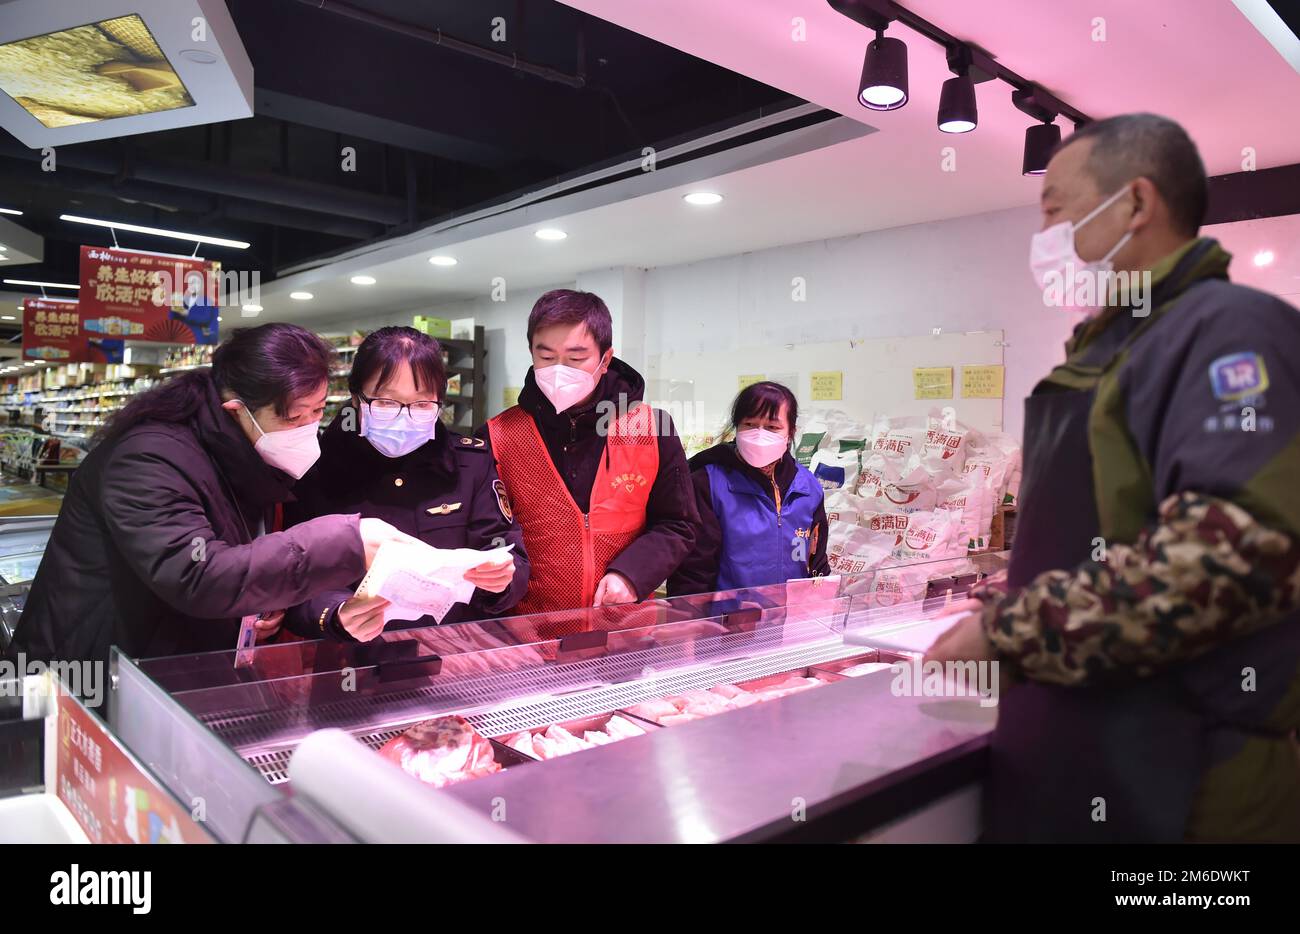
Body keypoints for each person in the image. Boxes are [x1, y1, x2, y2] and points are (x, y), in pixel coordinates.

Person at [926, 113, 1300, 842]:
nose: (1045, 237)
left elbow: (1233, 558)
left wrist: (1008, 631)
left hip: (1187, 780)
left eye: (1056, 210)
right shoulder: (1111, 348)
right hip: (1078, 759)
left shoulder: (1229, 331)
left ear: (1135, 204)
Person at [9, 323, 413, 672]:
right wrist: (345, 541)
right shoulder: (147, 458)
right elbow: (197, 574)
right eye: (294, 416)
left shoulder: (244, 455)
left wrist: (256, 609)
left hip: (168, 664)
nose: (309, 428)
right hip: (92, 673)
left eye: (318, 411)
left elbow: (238, 553)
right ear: (236, 409)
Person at [284, 326, 528, 641]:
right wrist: (335, 613)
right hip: (348, 663)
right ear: (357, 398)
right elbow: (290, 576)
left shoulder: (470, 464)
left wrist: (501, 579)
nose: (405, 418)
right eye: (386, 403)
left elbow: (508, 551)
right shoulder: (315, 468)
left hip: (455, 657)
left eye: (422, 405)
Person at [480, 289, 697, 613]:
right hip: (526, 639)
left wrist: (632, 575)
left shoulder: (650, 429)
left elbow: (679, 524)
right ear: (532, 354)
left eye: (576, 358)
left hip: (623, 636)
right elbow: (488, 535)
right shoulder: (499, 436)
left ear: (605, 359)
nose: (559, 370)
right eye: (546, 357)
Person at [669, 381, 829, 595]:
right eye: (750, 424)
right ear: (737, 427)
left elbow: (816, 561)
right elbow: (692, 573)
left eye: (772, 427)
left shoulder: (808, 487)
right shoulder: (708, 483)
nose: (759, 435)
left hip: (791, 620)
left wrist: (822, 604)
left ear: (791, 432)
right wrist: (693, 623)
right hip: (728, 622)